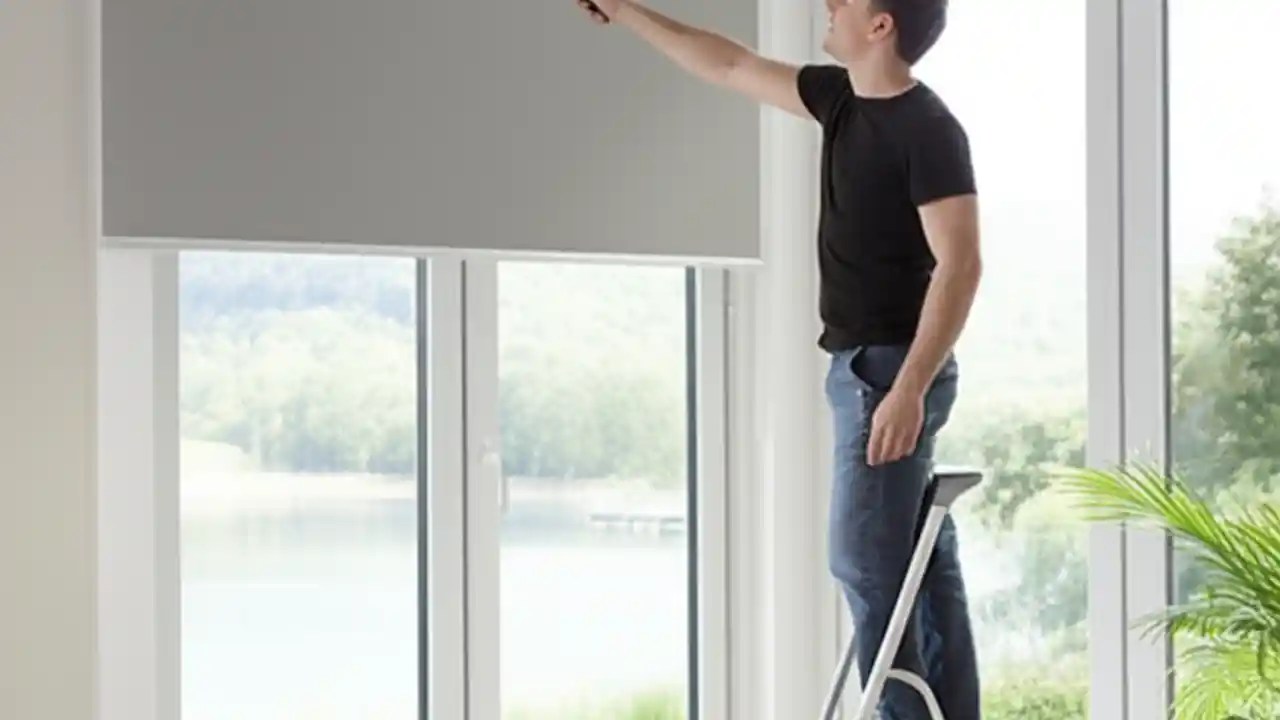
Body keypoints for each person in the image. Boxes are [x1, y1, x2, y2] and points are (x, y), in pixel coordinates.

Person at [573, 0, 982, 717]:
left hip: (887, 372)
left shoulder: (930, 129)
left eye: (848, 2)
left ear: (880, 26)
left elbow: (962, 264)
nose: (830, 5)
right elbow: (726, 62)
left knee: (864, 564)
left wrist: (909, 386)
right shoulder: (840, 100)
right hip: (864, 369)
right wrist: (627, 9)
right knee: (917, 563)